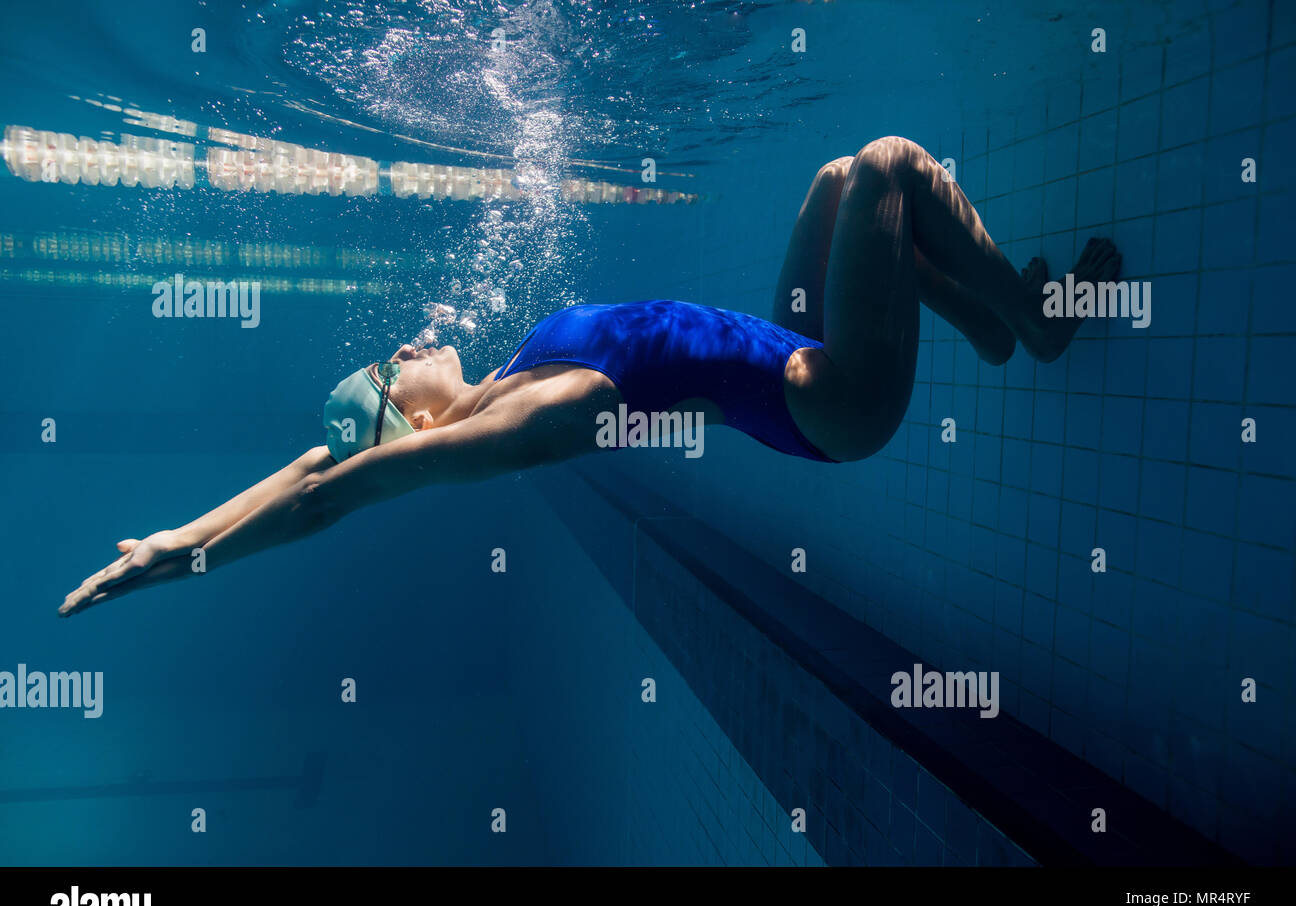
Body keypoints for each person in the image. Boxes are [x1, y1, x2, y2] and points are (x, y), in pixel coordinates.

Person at [58, 136, 1119, 617]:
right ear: (406, 418)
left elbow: (308, 463)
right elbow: (336, 488)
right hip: (836, 404)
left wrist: (175, 536)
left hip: (796, 352)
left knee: (840, 185)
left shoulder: (510, 368)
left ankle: (983, 327)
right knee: (893, 165)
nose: (414, 340)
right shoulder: (536, 412)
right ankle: (1037, 322)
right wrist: (193, 570)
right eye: (393, 365)